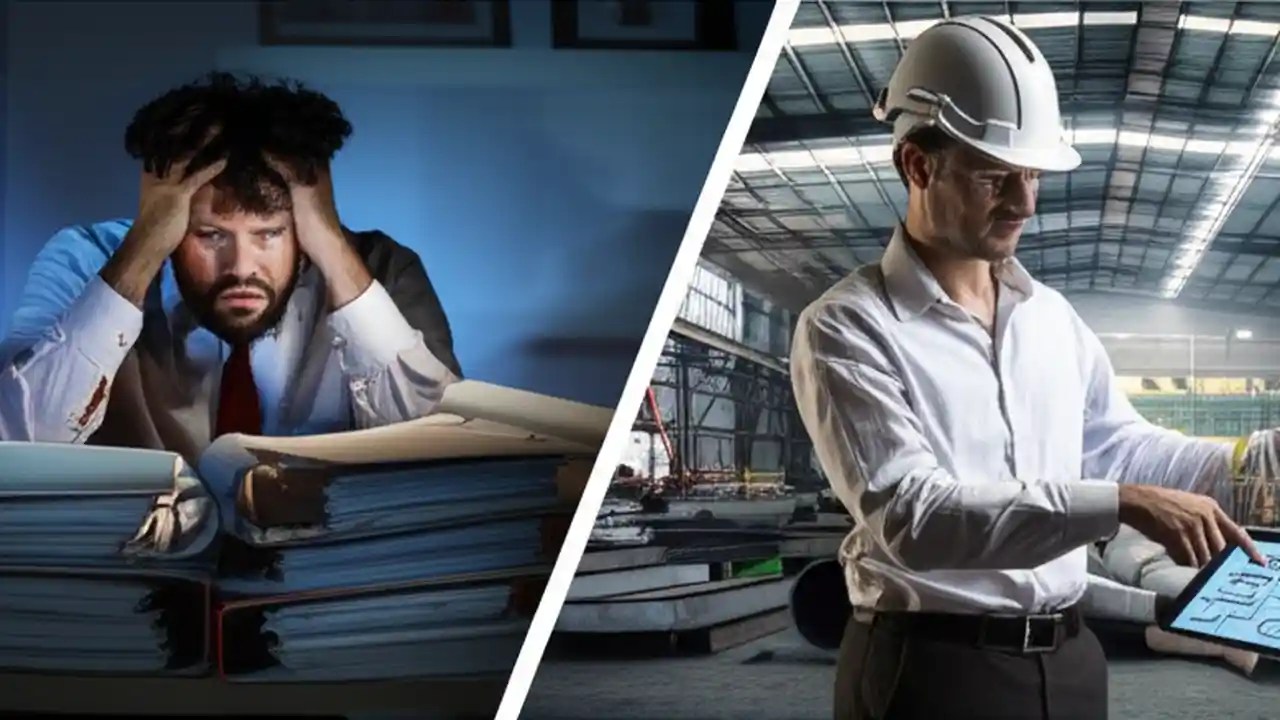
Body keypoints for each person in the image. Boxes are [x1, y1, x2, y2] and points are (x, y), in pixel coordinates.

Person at [788, 16, 1267, 720]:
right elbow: (915, 518)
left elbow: (1118, 444)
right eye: (995, 178)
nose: (1026, 203)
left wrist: (1249, 459)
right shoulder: (849, 327)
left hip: (1071, 659)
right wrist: (1123, 502)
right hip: (934, 671)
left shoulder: (1050, 318)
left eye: (1034, 174)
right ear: (916, 166)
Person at [0, 72, 462, 467]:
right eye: (210, 235)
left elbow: (447, 453)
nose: (241, 268)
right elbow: (16, 444)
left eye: (269, 234)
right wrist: (142, 248)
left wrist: (330, 244)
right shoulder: (84, 259)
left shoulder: (383, 270)